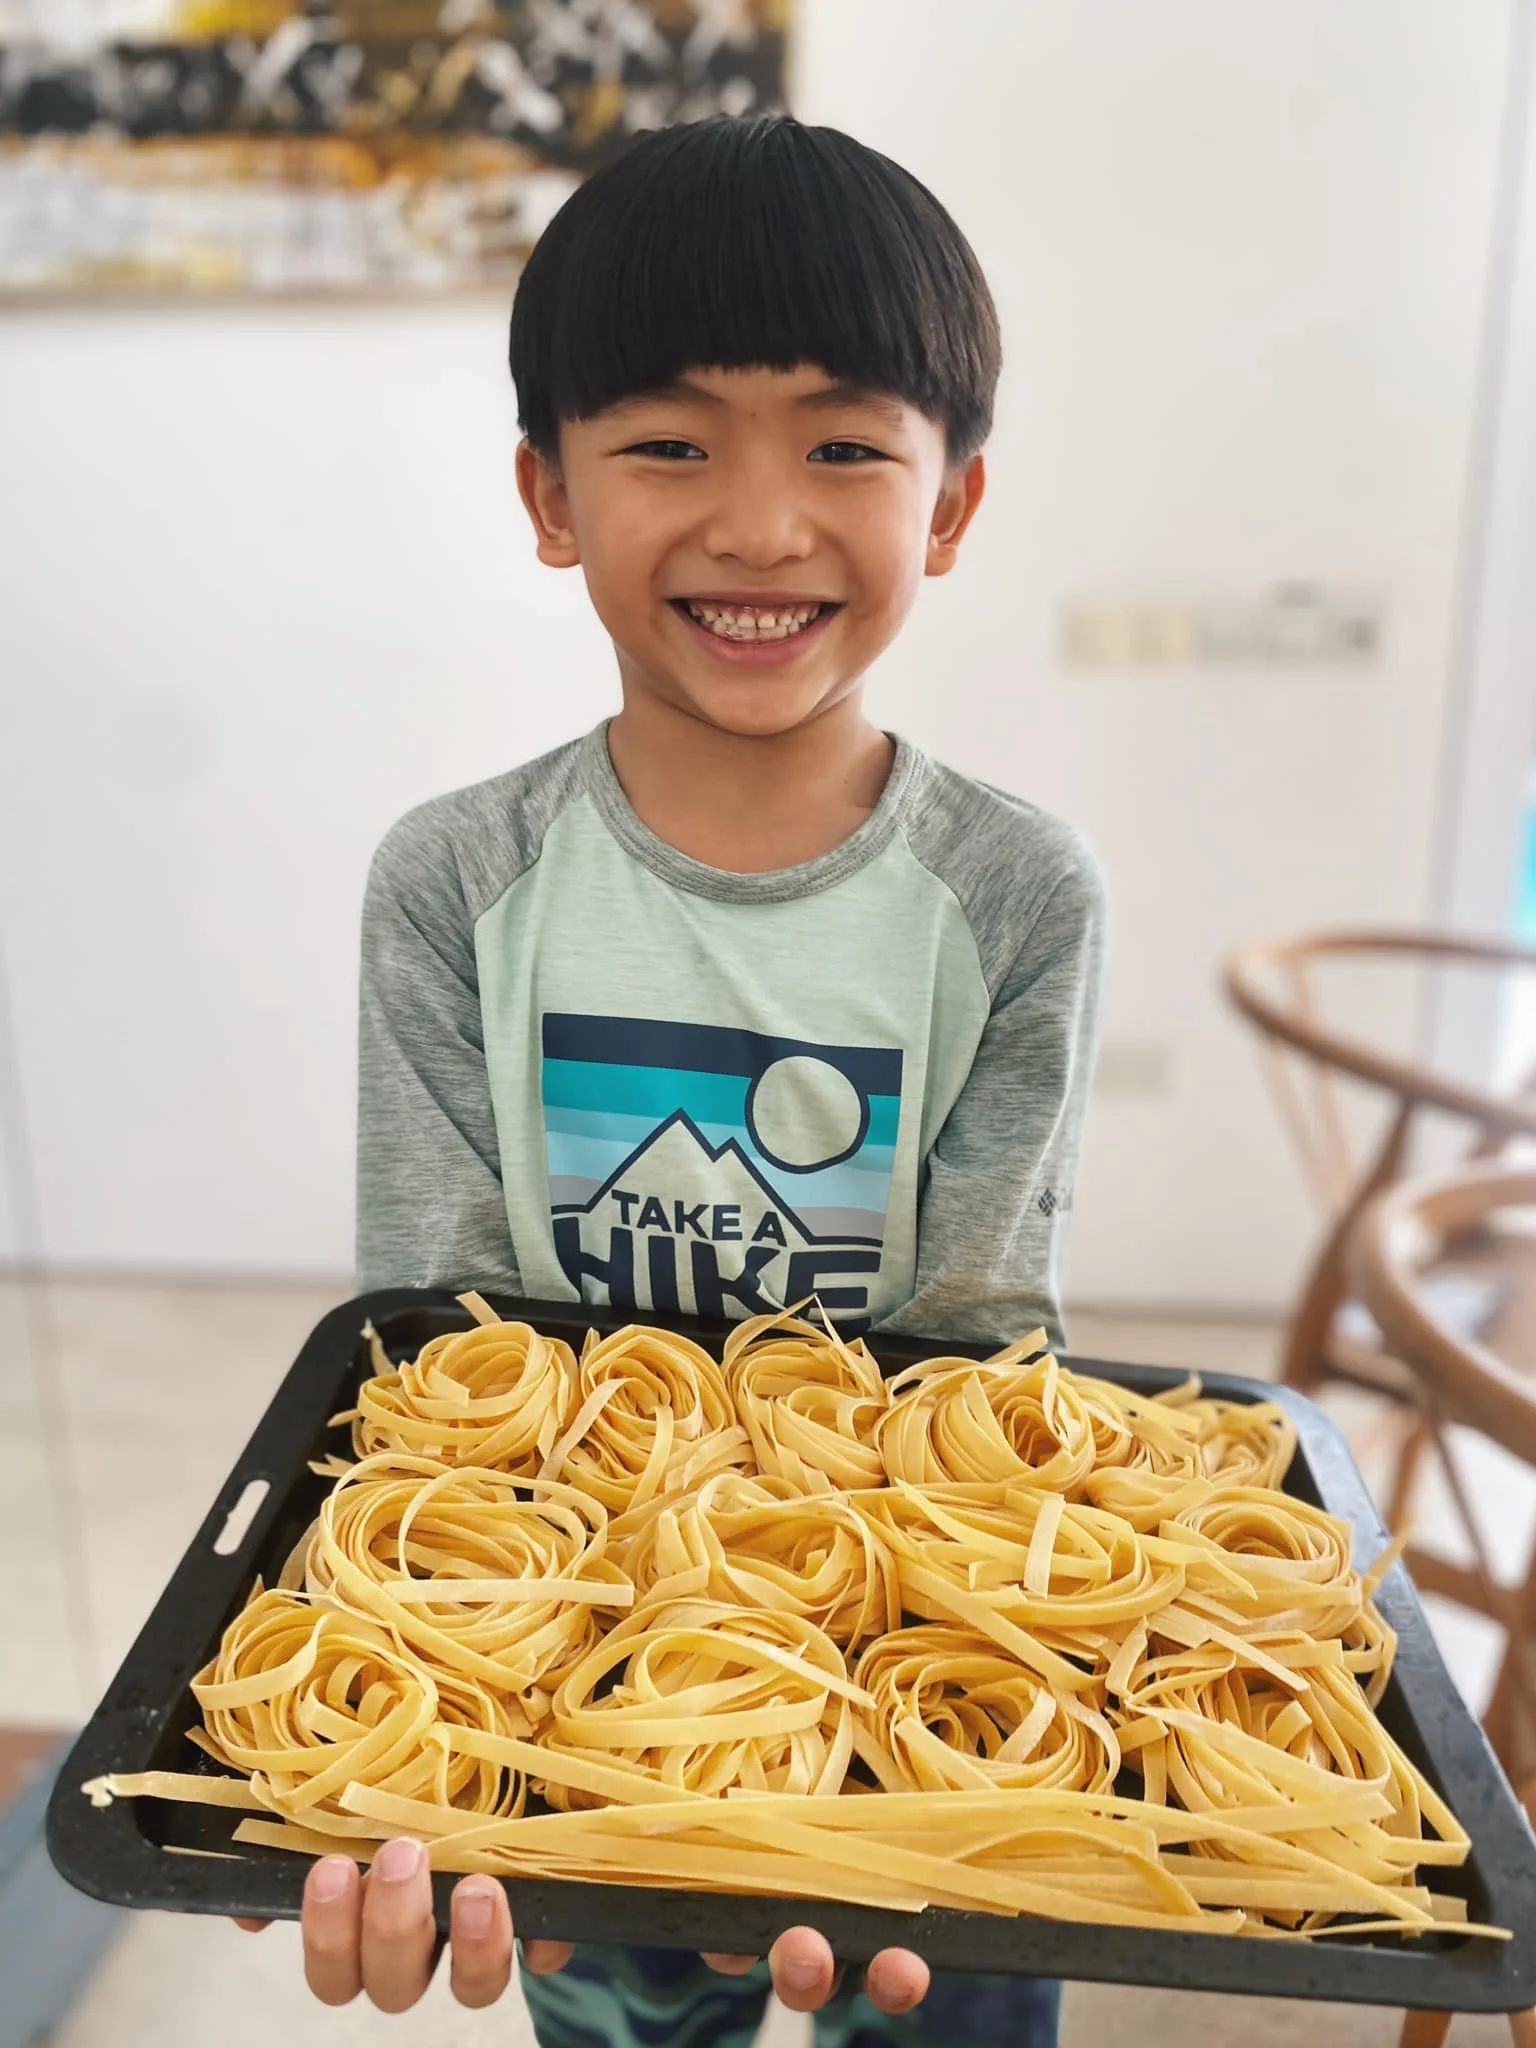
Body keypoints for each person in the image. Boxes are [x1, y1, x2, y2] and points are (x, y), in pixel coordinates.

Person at [255, 113, 1106, 2046]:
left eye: (841, 444)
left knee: (952, 2005)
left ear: (950, 507)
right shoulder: (456, 881)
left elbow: (974, 1360)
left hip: (914, 1694)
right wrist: (461, 1748)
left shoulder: (1016, 892)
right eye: (666, 444)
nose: (756, 522)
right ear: (550, 495)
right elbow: (444, 1377)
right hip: (585, 1706)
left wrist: (840, 1754)